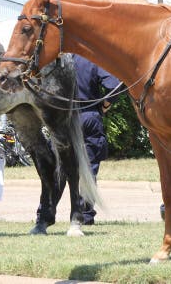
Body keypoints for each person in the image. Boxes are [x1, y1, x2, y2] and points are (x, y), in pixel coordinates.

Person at [72, 54, 124, 225]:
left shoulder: (62, 60)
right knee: (90, 168)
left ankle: (51, 212)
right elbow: (116, 86)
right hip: (90, 115)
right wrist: (105, 104)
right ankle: (85, 215)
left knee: (65, 167)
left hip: (66, 117)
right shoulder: (93, 60)